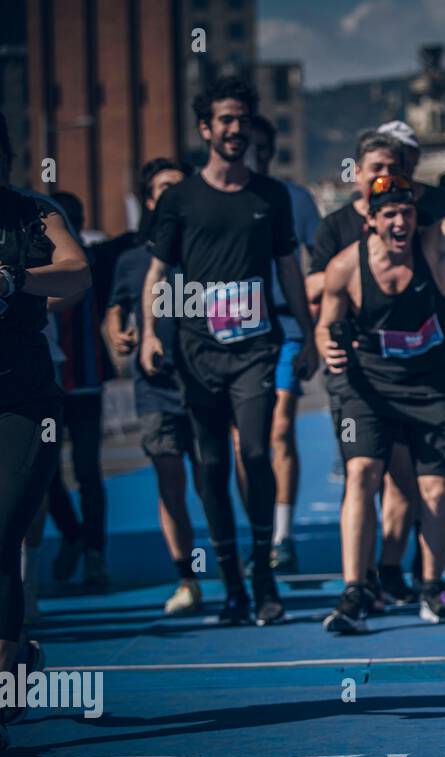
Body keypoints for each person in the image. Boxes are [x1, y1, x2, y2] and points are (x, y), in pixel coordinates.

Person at [141, 77, 316, 626]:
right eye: (225, 120)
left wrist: (308, 335)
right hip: (197, 351)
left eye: (242, 119)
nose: (235, 129)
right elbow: (158, 272)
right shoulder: (179, 199)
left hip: (255, 349)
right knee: (211, 464)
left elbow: (289, 268)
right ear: (205, 129)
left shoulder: (271, 197)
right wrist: (150, 332)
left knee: (257, 453)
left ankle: (264, 574)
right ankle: (233, 585)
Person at [318, 165, 445, 632]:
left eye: (407, 213)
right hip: (369, 388)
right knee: (362, 473)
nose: (400, 223)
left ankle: (432, 588)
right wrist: (325, 346)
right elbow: (322, 323)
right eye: (390, 213)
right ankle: (355, 589)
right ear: (370, 220)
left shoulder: (431, 249)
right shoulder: (345, 267)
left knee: (435, 490)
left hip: (434, 387)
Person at [0, 109, 93, 747]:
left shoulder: (31, 212)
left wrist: (14, 279)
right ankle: (17, 659)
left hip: (23, 400)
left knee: (1, 530)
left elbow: (77, 272)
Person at [308, 129, 426, 610]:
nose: (382, 176)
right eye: (374, 168)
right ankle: (354, 586)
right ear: (357, 173)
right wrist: (355, 265)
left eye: (391, 168)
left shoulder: (413, 219)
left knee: (404, 480)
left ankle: (391, 570)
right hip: (357, 376)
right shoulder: (337, 229)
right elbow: (314, 286)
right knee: (362, 472)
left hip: (413, 376)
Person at [104, 158, 204, 614]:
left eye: (179, 188)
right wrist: (118, 335)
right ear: (149, 199)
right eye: (163, 188)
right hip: (156, 388)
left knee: (213, 480)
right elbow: (113, 312)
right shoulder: (131, 260)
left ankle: (236, 569)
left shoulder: (206, 249)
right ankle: (187, 578)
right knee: (169, 480)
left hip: (207, 384)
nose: (171, 196)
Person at [237, 114, 322, 573]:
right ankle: (258, 533)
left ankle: (283, 538)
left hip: (286, 327)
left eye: (264, 149)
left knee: (280, 430)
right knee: (244, 443)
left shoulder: (295, 198)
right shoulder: (222, 199)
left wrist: (315, 330)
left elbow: (320, 260)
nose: (257, 157)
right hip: (235, 330)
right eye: (251, 148)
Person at [42, 191, 113, 589]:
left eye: (74, 219)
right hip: (44, 384)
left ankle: (95, 553)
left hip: (86, 381)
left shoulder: (96, 261)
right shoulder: (35, 263)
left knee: (88, 472)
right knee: (45, 474)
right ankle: (72, 534)